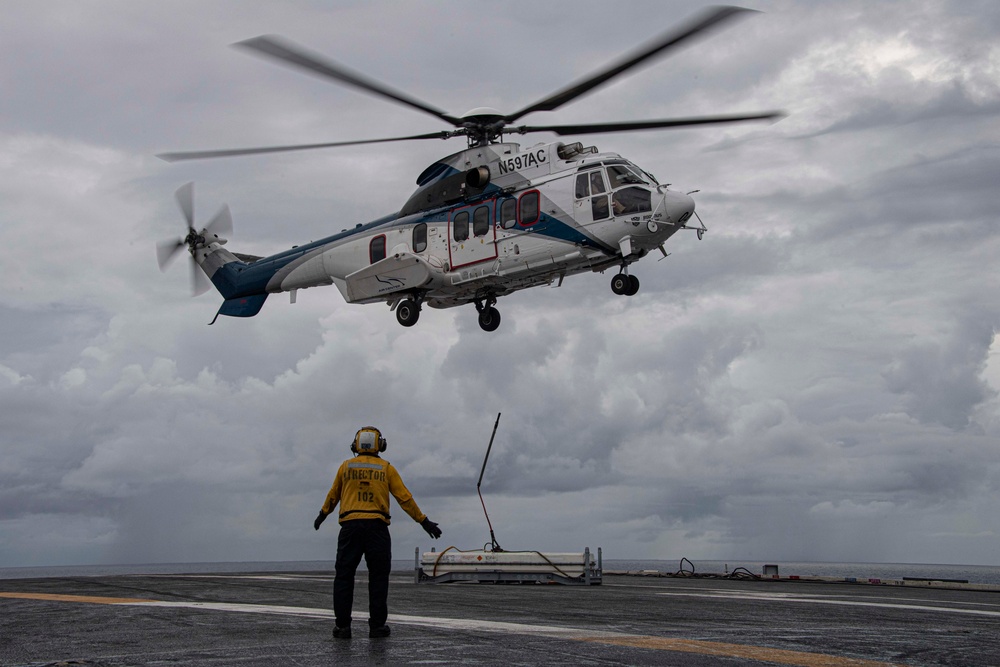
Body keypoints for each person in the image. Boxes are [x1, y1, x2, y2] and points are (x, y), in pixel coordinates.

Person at [314, 426, 442, 639]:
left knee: (344, 577)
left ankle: (343, 627)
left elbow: (333, 496)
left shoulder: (345, 467)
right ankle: (377, 627)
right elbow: (405, 498)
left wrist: (322, 515)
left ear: (355, 445)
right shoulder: (386, 468)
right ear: (380, 445)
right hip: (377, 528)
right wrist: (424, 522)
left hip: (350, 528)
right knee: (379, 578)